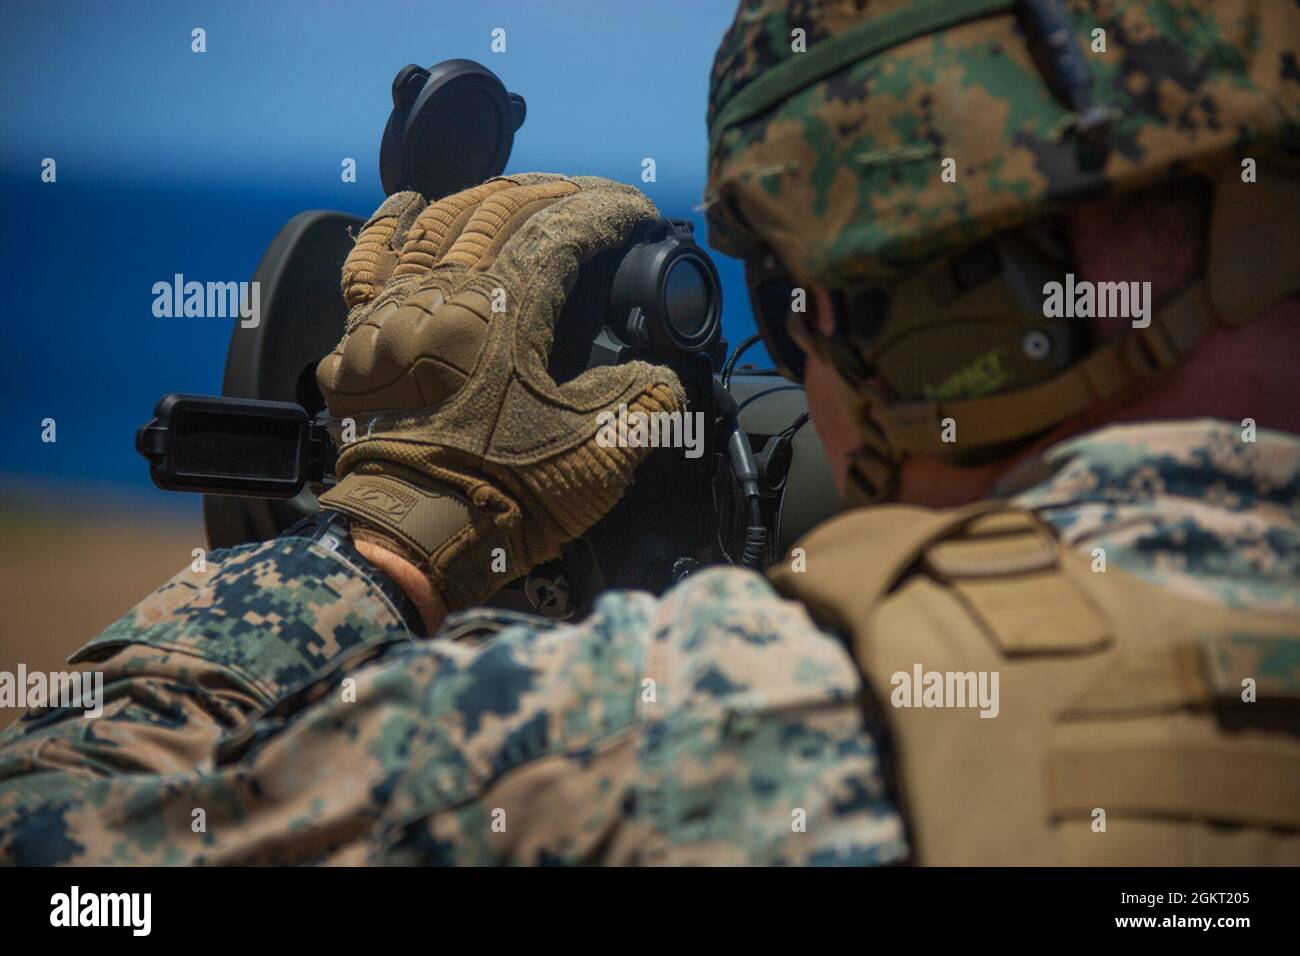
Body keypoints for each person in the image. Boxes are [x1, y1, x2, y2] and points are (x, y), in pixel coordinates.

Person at [1, 0, 1296, 865]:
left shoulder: (755, 723)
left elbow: (60, 834)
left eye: (781, 306)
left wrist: (396, 529)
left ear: (851, 306)